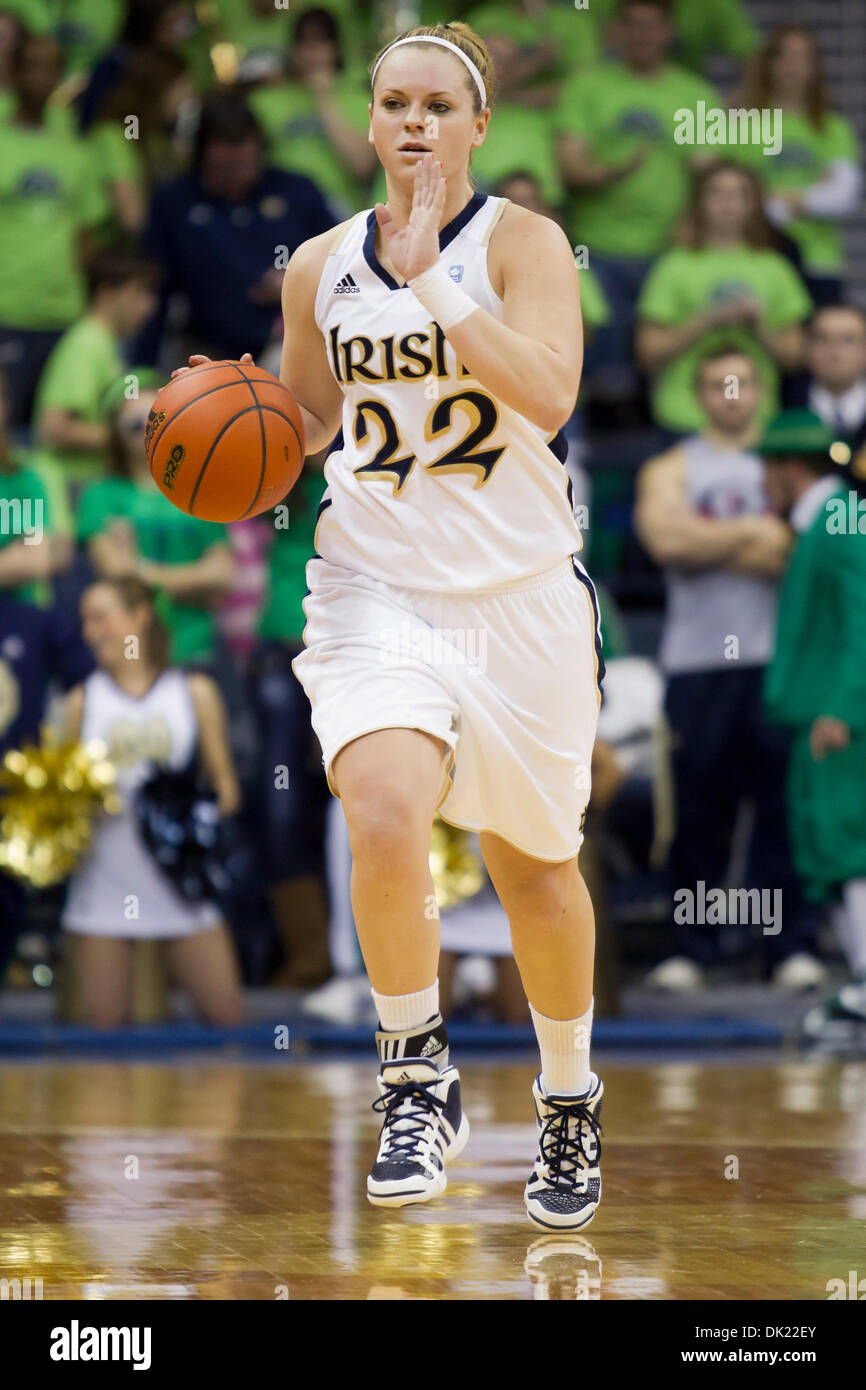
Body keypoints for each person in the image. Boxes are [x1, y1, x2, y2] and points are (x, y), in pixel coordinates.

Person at [174, 21, 605, 1230]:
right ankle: (414, 1072)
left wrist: (426, 281)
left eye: (438, 105)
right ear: (367, 126)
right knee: (380, 812)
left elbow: (550, 393)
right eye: (394, 104)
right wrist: (231, 434)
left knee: (533, 870)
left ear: (476, 127)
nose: (414, 122)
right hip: (375, 585)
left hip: (519, 593)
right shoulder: (315, 264)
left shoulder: (524, 244)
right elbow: (308, 420)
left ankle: (567, 1098)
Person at [635, 346, 824, 991]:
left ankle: (785, 946)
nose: (731, 394)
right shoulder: (669, 466)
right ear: (698, 393)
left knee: (779, 810)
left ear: (764, 392)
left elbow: (791, 554)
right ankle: (693, 947)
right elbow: (665, 541)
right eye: (717, 383)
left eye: (742, 383)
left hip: (776, 662)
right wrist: (755, 534)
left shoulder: (785, 464)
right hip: (696, 663)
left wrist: (707, 540)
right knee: (696, 815)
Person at [61, 576, 244, 1029]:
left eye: (101, 618)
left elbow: (228, 792)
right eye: (85, 621)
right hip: (104, 883)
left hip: (179, 883)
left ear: (141, 615)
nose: (91, 632)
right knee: (101, 1040)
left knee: (227, 1022)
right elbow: (61, 797)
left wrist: (180, 812)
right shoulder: (82, 701)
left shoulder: (193, 692)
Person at [761, 411, 866, 1034]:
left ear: (787, 469)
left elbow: (862, 620)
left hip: (839, 721)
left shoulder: (835, 523)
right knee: (832, 849)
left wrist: (845, 708)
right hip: (824, 717)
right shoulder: (827, 523)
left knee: (850, 847)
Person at [554, 0, 719, 392]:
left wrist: (692, 223)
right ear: (617, 32)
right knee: (601, 351)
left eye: (652, 27)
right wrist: (615, 171)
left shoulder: (695, 93)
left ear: (668, 33)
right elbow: (569, 167)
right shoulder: (588, 86)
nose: (643, 36)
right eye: (633, 27)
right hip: (596, 247)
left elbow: (712, 175)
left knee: (661, 348)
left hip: (669, 245)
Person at [136, 94, 336, 367]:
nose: (236, 176)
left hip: (293, 346)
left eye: (244, 165)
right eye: (224, 167)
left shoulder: (296, 190)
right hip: (204, 351)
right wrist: (141, 366)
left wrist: (298, 280)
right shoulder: (174, 203)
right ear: (202, 158)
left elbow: (344, 259)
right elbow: (154, 287)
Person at [636, 160, 812, 437]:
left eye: (740, 194)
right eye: (716, 192)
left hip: (757, 421)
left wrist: (759, 326)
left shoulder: (776, 267)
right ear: (699, 202)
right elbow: (647, 353)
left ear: (755, 204)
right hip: (684, 418)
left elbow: (796, 358)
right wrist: (706, 321)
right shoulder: (674, 265)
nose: (728, 202)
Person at [77, 371, 235, 669]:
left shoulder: (198, 488)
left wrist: (143, 570)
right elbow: (116, 574)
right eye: (137, 425)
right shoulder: (100, 494)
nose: (149, 432)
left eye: (157, 419)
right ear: (116, 435)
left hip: (196, 648)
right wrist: (196, 580)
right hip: (133, 653)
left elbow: (224, 575)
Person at [0, 31, 104, 428]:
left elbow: (85, 237)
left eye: (51, 69)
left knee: (50, 434)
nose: (40, 78)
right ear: (13, 71)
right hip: (6, 310)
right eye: (32, 66)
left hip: (63, 314)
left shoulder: (76, 153)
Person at [733, 26, 861, 309]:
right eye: (784, 57)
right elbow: (732, 193)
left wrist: (773, 198)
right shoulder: (741, 126)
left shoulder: (833, 128)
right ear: (768, 64)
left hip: (820, 259)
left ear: (816, 66)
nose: (793, 66)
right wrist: (810, 194)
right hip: (757, 257)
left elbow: (840, 197)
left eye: (802, 57)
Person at [32, 249, 159, 513]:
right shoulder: (87, 344)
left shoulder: (104, 343)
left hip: (89, 485)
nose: (149, 306)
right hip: (71, 488)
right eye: (138, 293)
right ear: (106, 293)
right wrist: (132, 435)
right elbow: (54, 429)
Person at [247, 7, 376, 220]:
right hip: (279, 208)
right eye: (303, 43)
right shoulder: (263, 101)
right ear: (293, 50)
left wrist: (324, 98)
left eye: (320, 43)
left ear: (336, 49)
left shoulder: (362, 100)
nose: (311, 53)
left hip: (340, 212)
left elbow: (361, 166)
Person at [786, 304, 866, 455]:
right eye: (823, 339)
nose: (834, 350)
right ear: (806, 347)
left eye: (848, 340)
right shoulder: (785, 404)